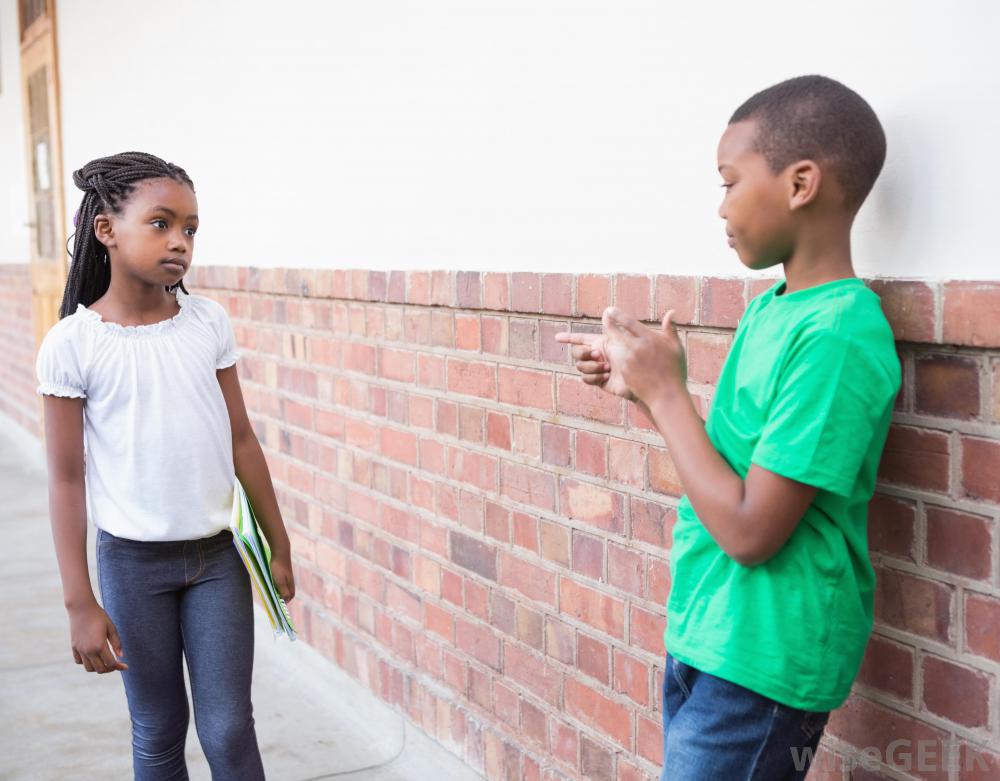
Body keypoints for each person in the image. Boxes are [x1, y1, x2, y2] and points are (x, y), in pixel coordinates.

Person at [557, 76, 900, 780]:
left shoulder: (839, 335)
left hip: (764, 659)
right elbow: (731, 478)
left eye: (730, 181)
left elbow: (750, 530)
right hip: (712, 634)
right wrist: (650, 395)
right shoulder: (774, 310)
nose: (721, 205)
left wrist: (669, 395)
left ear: (801, 183)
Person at [37, 152, 294, 780]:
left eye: (191, 228)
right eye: (160, 223)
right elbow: (67, 479)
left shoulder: (206, 322)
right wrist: (79, 602)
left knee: (229, 728)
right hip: (131, 567)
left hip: (216, 561)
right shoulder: (75, 344)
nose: (180, 242)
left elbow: (241, 440)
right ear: (106, 229)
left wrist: (279, 545)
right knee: (157, 731)